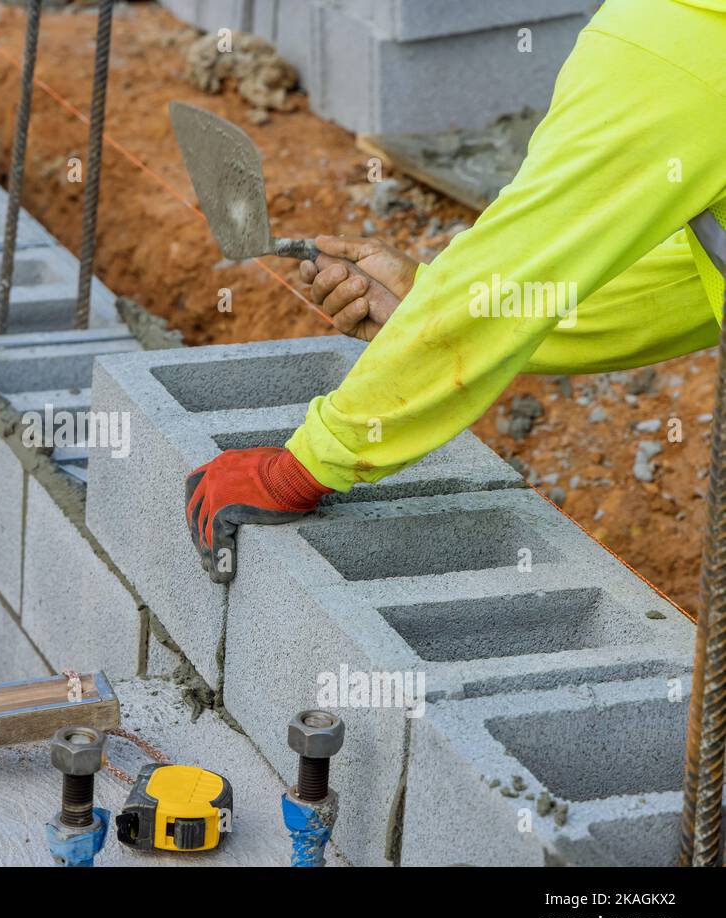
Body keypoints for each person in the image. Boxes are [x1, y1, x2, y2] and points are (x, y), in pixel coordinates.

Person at [186, 0, 726, 584]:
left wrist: (306, 465)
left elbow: (523, 258)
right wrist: (434, 300)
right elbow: (692, 285)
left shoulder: (675, 45)